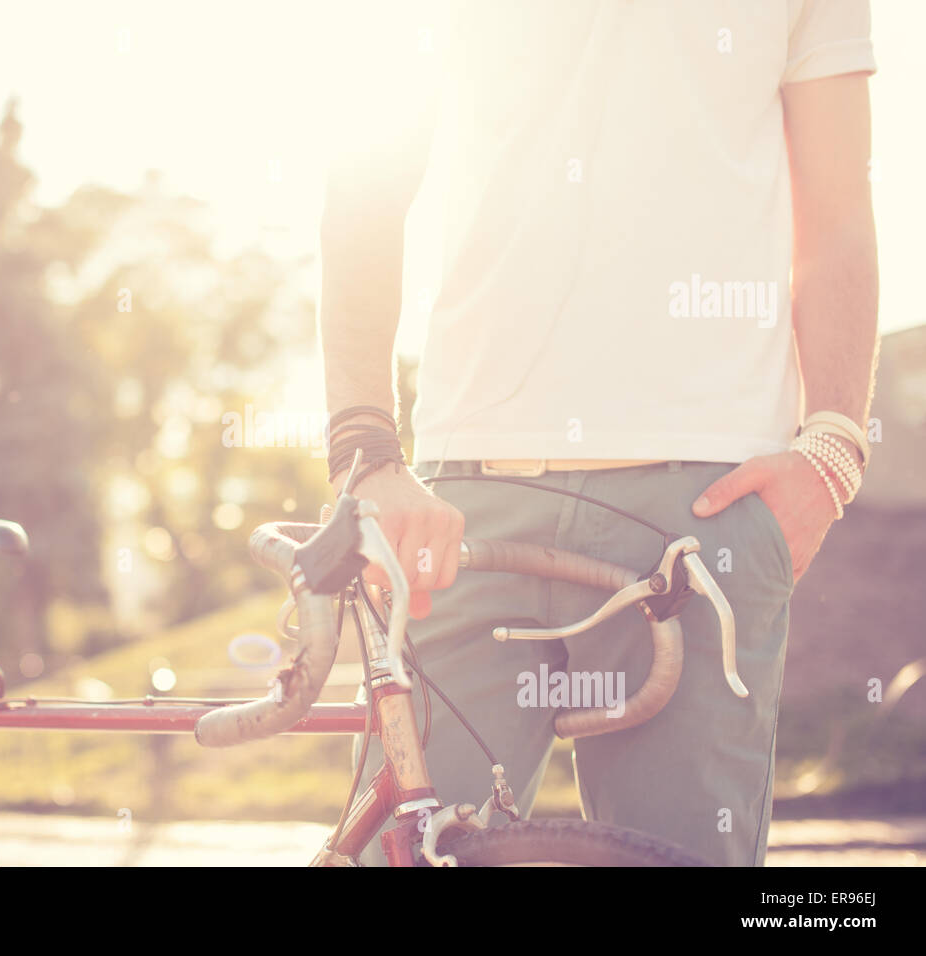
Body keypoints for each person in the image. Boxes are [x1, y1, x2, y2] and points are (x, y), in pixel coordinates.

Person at [320, 0, 878, 866]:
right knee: (399, 854)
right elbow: (363, 184)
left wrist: (833, 447)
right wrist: (365, 447)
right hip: (462, 508)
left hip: (702, 511)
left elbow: (838, 211)